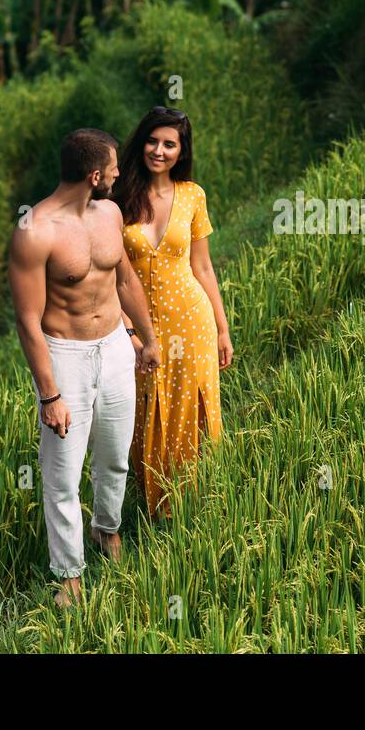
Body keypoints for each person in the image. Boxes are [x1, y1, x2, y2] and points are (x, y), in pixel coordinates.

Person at [7, 127, 162, 608]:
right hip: (66, 357)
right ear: (94, 174)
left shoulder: (110, 213)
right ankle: (69, 576)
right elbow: (28, 321)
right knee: (63, 475)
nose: (120, 172)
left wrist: (147, 337)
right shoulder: (35, 231)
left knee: (115, 455)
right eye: (114, 166)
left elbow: (126, 280)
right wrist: (49, 393)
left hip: (116, 346)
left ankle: (107, 531)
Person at [113, 106, 233, 517]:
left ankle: (198, 505)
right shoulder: (119, 198)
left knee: (191, 408)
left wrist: (222, 328)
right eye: (152, 141)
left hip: (192, 320)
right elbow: (113, 275)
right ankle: (152, 509)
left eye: (169, 144)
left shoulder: (193, 195)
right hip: (138, 326)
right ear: (141, 142)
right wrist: (129, 331)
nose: (158, 151)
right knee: (146, 410)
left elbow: (202, 266)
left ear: (182, 151)